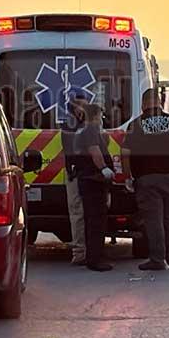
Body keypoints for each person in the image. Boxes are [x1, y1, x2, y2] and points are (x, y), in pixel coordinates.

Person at [122, 89, 169, 271]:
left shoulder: (136, 125)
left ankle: (157, 259)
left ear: (144, 104)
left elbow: (125, 153)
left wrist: (128, 176)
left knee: (154, 220)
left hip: (146, 179)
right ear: (159, 102)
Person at [75, 103, 115, 271]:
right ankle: (95, 260)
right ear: (96, 116)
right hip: (93, 180)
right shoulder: (91, 130)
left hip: (88, 180)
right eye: (100, 116)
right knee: (96, 221)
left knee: (92, 220)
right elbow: (94, 151)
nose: (102, 119)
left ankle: (93, 256)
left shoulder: (86, 131)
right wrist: (103, 168)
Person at [61, 93, 89, 265]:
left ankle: (86, 250)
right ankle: (80, 252)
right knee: (78, 213)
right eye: (80, 106)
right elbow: (72, 147)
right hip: (76, 173)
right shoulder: (70, 123)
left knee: (87, 214)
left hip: (87, 174)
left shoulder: (87, 121)